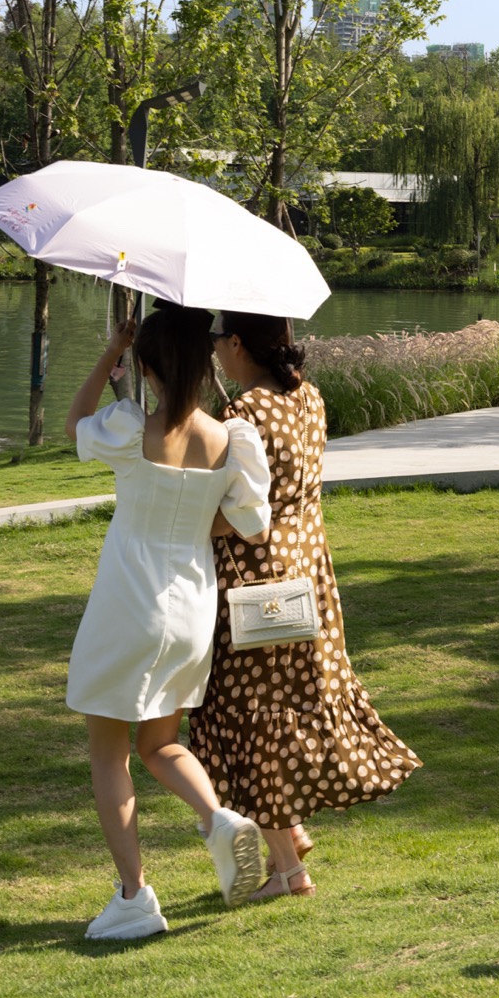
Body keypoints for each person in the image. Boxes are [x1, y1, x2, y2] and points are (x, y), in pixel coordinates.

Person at [190, 310, 422, 901]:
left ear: (238, 344)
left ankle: (290, 869)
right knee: (288, 701)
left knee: (254, 713)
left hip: (258, 576)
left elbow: (235, 511)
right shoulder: (310, 399)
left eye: (218, 339)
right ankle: (287, 832)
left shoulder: (243, 415)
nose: (215, 349)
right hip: (309, 569)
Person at [65, 305, 274, 942]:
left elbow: (74, 426)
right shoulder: (230, 439)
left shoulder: (131, 427)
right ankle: (218, 819)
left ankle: (134, 898)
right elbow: (252, 522)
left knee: (109, 753)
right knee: (158, 744)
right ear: (206, 361)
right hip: (190, 607)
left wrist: (111, 353)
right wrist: (190, 518)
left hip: (130, 603)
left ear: (149, 368)